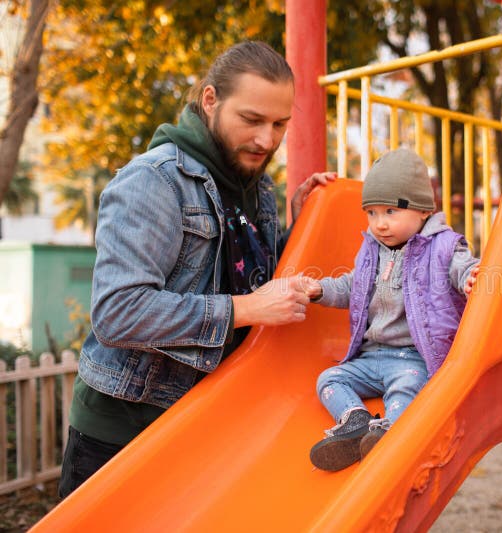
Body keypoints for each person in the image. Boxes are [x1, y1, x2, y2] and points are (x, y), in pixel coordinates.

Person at [58, 40, 335, 498]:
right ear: (210, 100)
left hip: (210, 419)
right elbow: (118, 312)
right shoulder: (154, 180)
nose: (267, 140)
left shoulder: (257, 187)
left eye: (280, 124)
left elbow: (247, 277)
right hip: (127, 429)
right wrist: (244, 308)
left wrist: (304, 226)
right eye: (251, 120)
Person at [305, 148, 478, 472]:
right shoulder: (373, 249)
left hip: (414, 357)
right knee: (329, 379)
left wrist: (471, 278)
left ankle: (388, 432)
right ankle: (355, 421)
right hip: (372, 357)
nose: (380, 224)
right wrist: (320, 291)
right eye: (372, 213)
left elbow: (462, 267)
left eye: (390, 212)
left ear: (423, 210)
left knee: (405, 390)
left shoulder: (443, 246)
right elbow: (352, 286)